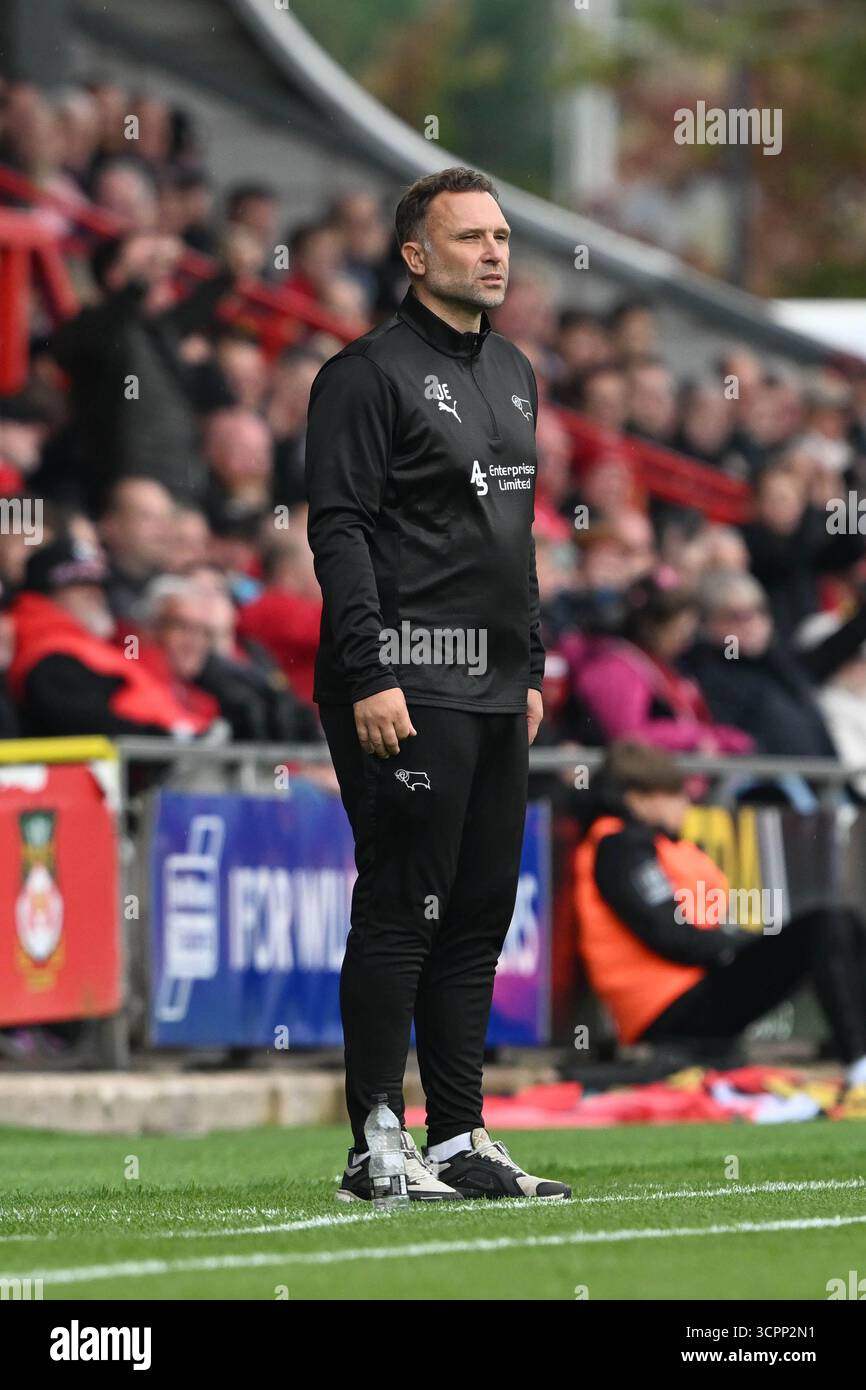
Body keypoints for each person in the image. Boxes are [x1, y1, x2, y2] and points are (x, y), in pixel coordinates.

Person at [306, 165, 570, 1202]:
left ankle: (457, 1137)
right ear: (415, 256)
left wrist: (533, 662)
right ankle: (376, 1143)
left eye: (501, 235)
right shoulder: (362, 375)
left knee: (474, 915)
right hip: (404, 681)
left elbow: (515, 539)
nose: (494, 252)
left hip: (496, 686)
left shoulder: (513, 370)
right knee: (400, 908)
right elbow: (339, 530)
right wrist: (368, 670)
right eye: (469, 238)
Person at [574, 741, 866, 1088]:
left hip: (694, 990)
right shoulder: (619, 848)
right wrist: (740, 945)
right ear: (637, 798)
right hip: (669, 1011)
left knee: (842, 923)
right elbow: (670, 936)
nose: (685, 804)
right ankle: (859, 1066)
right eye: (673, 795)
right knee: (824, 926)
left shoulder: (659, 844)